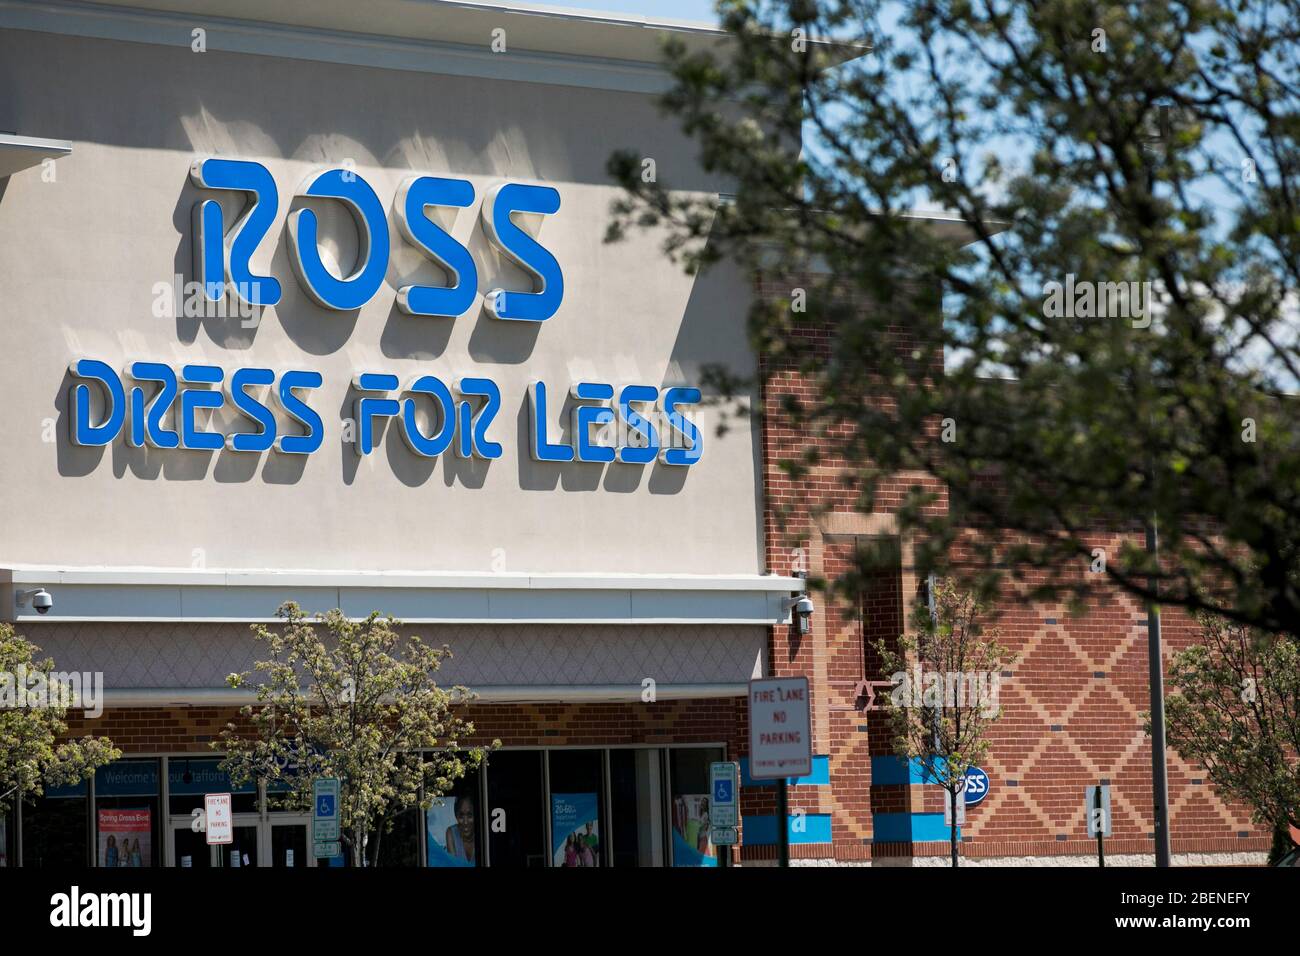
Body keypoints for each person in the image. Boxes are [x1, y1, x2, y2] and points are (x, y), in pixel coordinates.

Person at [443, 795, 477, 864]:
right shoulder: (451, 832)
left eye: (470, 815)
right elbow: (453, 864)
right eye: (461, 816)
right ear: (456, 816)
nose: (465, 822)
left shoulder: (483, 831)